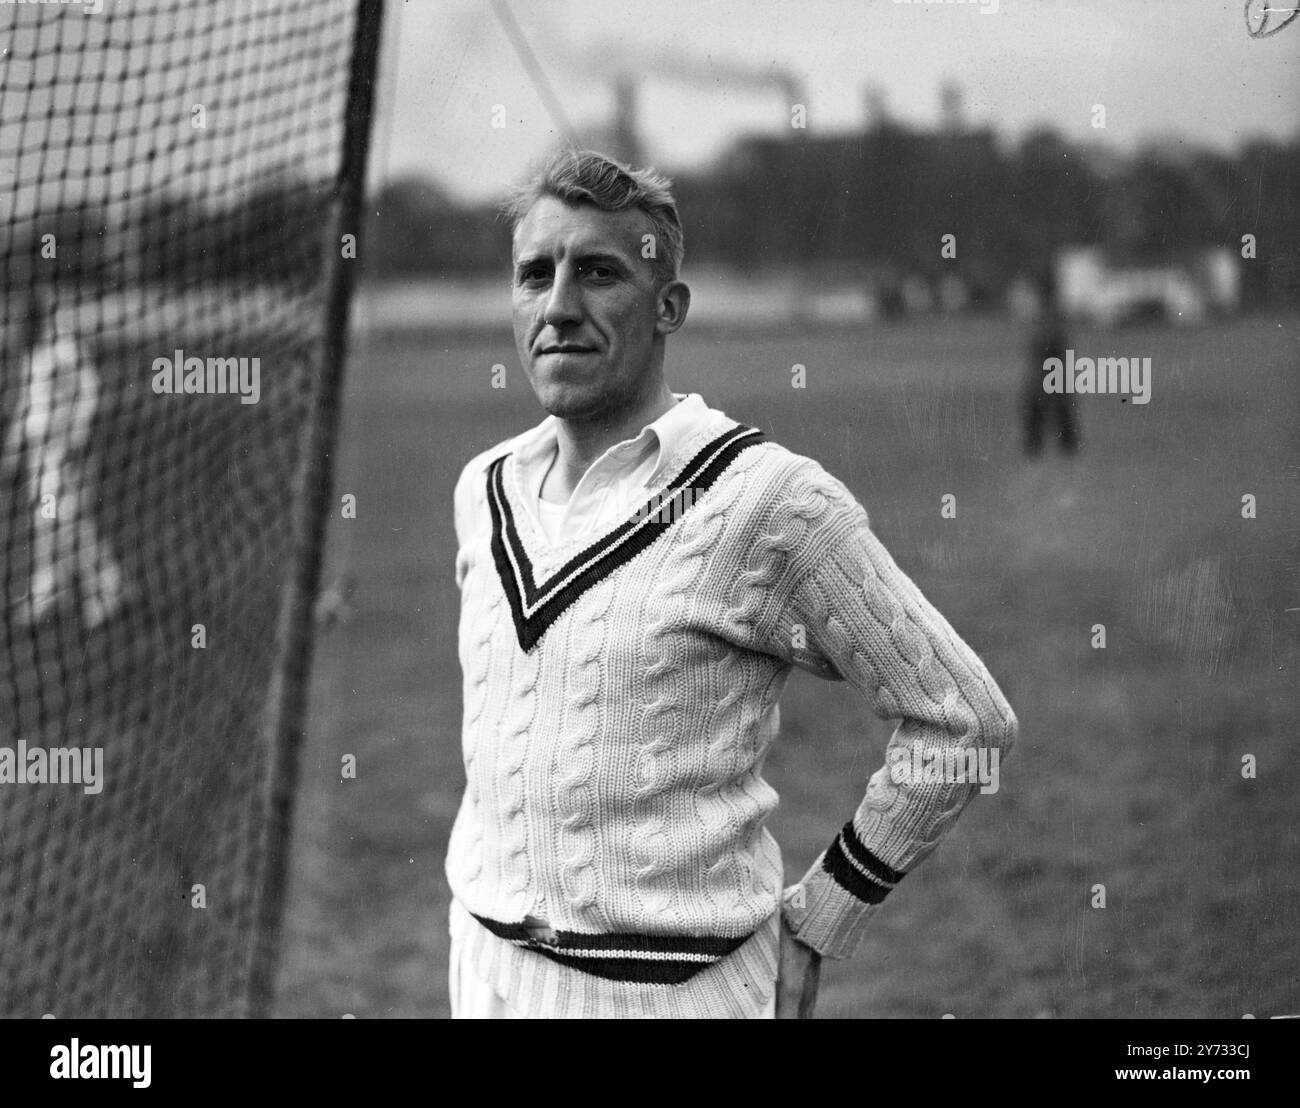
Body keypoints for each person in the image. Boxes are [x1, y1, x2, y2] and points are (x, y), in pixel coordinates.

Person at [447, 148, 1018, 1019]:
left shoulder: (767, 499)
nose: (558, 306)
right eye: (535, 275)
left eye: (599, 274)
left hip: (675, 999)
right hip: (482, 972)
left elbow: (963, 718)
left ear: (668, 305)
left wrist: (825, 912)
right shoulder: (482, 487)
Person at [1021, 277, 1081, 456]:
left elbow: (1043, 343)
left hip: (1049, 369)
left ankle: (1044, 445)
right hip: (1052, 369)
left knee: (1049, 408)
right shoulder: (1052, 315)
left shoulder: (1045, 316)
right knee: (1054, 408)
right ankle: (1060, 445)